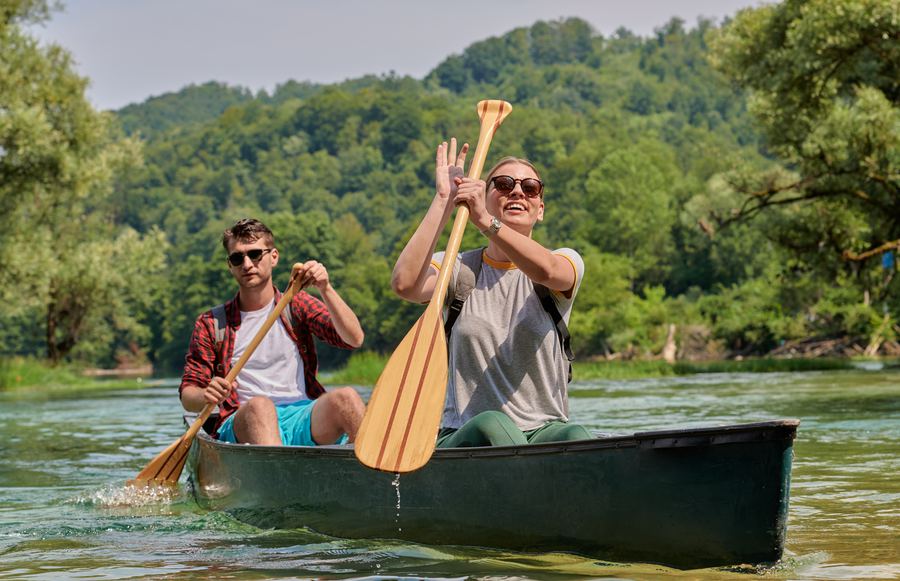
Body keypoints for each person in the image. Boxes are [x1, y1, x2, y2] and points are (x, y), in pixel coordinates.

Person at [391, 138, 591, 447]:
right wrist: (445, 200)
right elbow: (405, 284)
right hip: (467, 435)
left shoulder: (566, 261)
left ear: (540, 209)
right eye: (503, 183)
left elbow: (549, 271)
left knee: (575, 436)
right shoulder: (457, 268)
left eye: (530, 187)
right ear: (483, 197)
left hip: (542, 433)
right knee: (493, 424)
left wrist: (486, 221)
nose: (517, 191)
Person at [180, 218, 366, 446]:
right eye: (237, 258)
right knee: (260, 406)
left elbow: (354, 339)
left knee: (347, 398)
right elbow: (189, 395)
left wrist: (325, 288)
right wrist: (206, 395)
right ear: (230, 265)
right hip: (243, 419)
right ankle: (280, 476)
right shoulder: (212, 323)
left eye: (255, 254)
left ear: (274, 257)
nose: (247, 264)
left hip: (302, 415)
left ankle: (376, 475)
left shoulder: (296, 305)